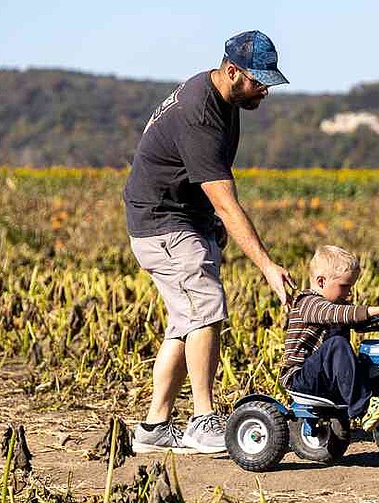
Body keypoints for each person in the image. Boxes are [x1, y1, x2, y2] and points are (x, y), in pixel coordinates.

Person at [124, 30, 295, 454]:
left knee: (186, 322)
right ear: (232, 71)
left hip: (179, 218)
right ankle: (203, 421)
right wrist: (267, 266)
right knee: (205, 310)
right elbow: (226, 202)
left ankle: (154, 427)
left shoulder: (222, 97)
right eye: (259, 81)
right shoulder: (199, 114)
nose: (265, 91)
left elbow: (201, 179)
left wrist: (207, 224)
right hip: (164, 224)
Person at [281, 245, 379, 431]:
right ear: (321, 281)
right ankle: (364, 408)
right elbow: (336, 314)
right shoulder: (307, 302)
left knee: (364, 360)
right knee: (337, 344)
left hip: (327, 377)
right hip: (301, 378)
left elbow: (363, 322)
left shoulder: (338, 307)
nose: (349, 293)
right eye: (344, 286)